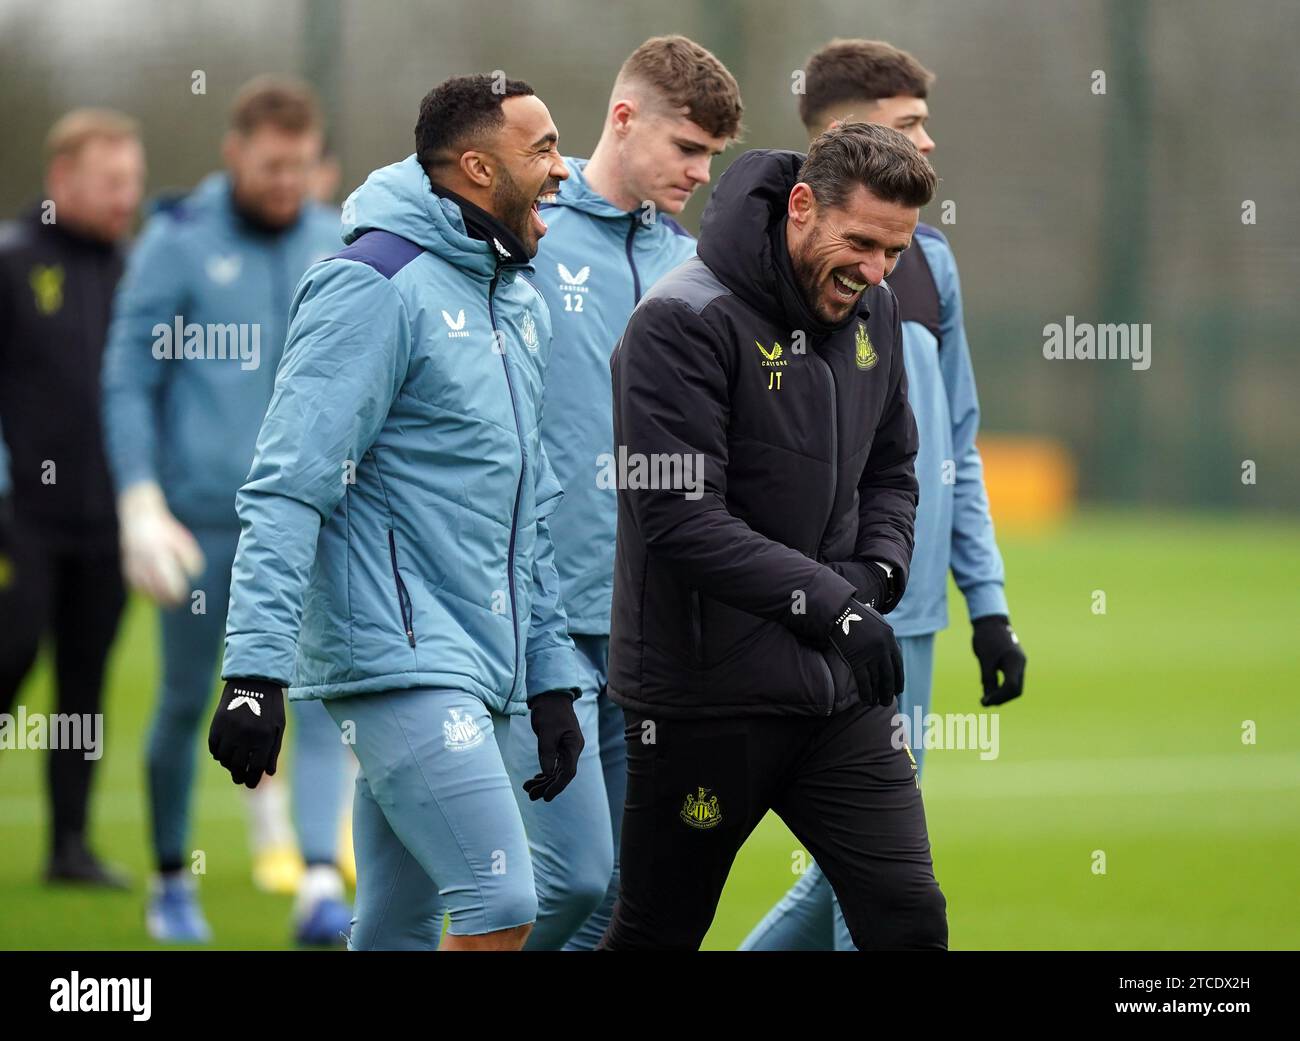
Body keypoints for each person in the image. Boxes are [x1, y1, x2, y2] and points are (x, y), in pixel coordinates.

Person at [209, 74, 584, 952]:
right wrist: (253, 672)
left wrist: (551, 673)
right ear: (479, 169)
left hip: (476, 664)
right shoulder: (371, 284)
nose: (566, 171)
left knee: (394, 929)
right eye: (545, 150)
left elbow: (528, 515)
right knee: (501, 900)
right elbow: (287, 483)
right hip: (395, 661)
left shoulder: (513, 301)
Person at [599, 123, 948, 950]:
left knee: (908, 917)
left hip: (839, 696)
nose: (874, 272)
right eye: (861, 242)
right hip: (703, 701)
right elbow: (679, 517)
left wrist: (878, 572)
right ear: (800, 207)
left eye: (893, 252)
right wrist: (832, 603)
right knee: (658, 931)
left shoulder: (879, 308)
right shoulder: (679, 320)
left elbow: (894, 467)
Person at [742, 38, 1028, 951]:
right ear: (843, 134)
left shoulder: (929, 263)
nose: (929, 144)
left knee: (864, 868)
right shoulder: (761, 269)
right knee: (865, 863)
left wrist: (987, 604)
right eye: (909, 125)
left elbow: (958, 445)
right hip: (813, 604)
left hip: (913, 615)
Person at [504, 34, 741, 950]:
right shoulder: (528, 232)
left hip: (652, 624)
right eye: (686, 148)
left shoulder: (693, 263)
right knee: (557, 881)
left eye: (711, 157)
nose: (699, 171)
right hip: (537, 618)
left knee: (622, 894)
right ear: (623, 117)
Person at [101, 76, 351, 944]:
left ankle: (319, 879)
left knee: (318, 698)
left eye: (302, 166)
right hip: (199, 521)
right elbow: (130, 377)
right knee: (180, 701)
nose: (287, 182)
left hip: (311, 519)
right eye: (272, 165)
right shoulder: (174, 242)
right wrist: (138, 498)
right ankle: (172, 880)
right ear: (234, 153)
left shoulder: (335, 238)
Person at [0, 109, 145, 888]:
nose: (127, 196)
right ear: (62, 181)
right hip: (20, 516)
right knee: (11, 653)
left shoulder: (133, 270)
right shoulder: (14, 260)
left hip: (107, 521)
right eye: (110, 181)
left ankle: (70, 846)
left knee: (84, 685)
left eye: (133, 180)